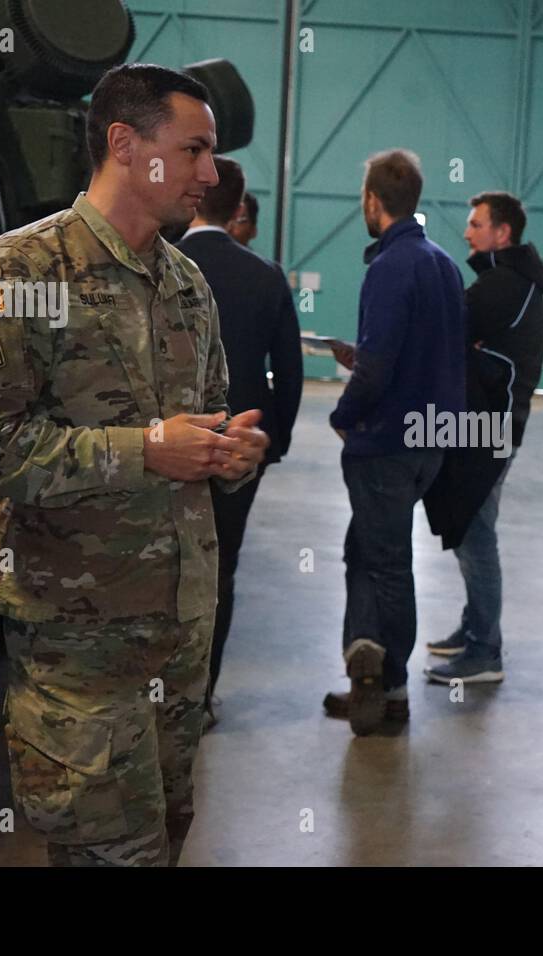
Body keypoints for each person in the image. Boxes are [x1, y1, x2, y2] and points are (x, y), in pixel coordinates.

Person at [0, 63, 269, 866]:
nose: (211, 174)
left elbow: (209, 416)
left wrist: (232, 453)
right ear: (124, 143)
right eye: (193, 149)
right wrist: (149, 449)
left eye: (212, 154)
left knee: (163, 844)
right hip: (80, 653)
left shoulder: (187, 283)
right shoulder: (13, 273)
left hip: (180, 638)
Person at [321, 149, 465, 736]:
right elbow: (434, 354)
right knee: (366, 550)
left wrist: (344, 411)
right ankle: (367, 672)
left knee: (383, 562)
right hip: (430, 441)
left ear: (373, 202)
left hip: (385, 441)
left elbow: (378, 366)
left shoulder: (389, 266)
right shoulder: (444, 264)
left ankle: (393, 689)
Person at [177, 157, 303, 728]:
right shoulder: (266, 276)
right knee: (220, 568)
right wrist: (274, 439)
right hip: (239, 443)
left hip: (165, 442)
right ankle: (201, 699)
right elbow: (291, 370)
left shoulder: (161, 263)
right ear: (240, 207)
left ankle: (158, 697)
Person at [421, 190, 543, 684]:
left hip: (490, 426)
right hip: (485, 423)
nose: (466, 232)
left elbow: (446, 333)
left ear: (503, 233)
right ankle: (475, 626)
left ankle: (485, 651)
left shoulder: (504, 284)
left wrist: (465, 346)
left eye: (476, 224)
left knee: (476, 533)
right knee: (470, 529)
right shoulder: (508, 282)